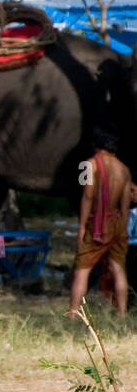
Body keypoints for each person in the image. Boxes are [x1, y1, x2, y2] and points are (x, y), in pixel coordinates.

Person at [69, 129, 132, 316]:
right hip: (118, 223)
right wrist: (123, 229)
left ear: (96, 145)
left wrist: (81, 227)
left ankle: (72, 314)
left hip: (98, 224)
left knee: (82, 270)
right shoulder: (124, 169)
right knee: (118, 268)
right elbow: (125, 205)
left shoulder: (89, 165)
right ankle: (122, 313)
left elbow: (87, 196)